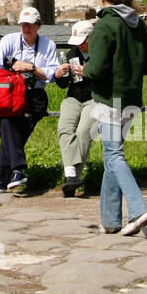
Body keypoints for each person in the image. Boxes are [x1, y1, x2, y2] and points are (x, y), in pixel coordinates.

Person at [81, 0, 147, 235]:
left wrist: (83, 69)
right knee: (111, 158)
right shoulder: (140, 25)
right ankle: (111, 220)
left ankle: (138, 209)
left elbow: (97, 68)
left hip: (109, 99)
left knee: (114, 156)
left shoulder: (105, 26)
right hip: (132, 99)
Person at [0, 6, 58, 193]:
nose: (26, 29)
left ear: (38, 26)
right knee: (10, 122)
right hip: (11, 93)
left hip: (34, 95)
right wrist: (11, 74)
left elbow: (51, 74)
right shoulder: (9, 40)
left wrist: (31, 68)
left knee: (7, 128)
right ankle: (16, 171)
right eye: (23, 25)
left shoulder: (48, 45)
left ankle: (1, 179)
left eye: (30, 25)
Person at [53, 18, 95, 197]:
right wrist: (59, 76)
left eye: (83, 42)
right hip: (74, 96)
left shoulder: (102, 54)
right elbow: (64, 85)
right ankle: (71, 177)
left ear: (91, 39)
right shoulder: (72, 53)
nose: (80, 46)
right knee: (65, 129)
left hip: (95, 98)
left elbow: (109, 78)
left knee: (84, 132)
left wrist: (89, 72)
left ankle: (72, 177)